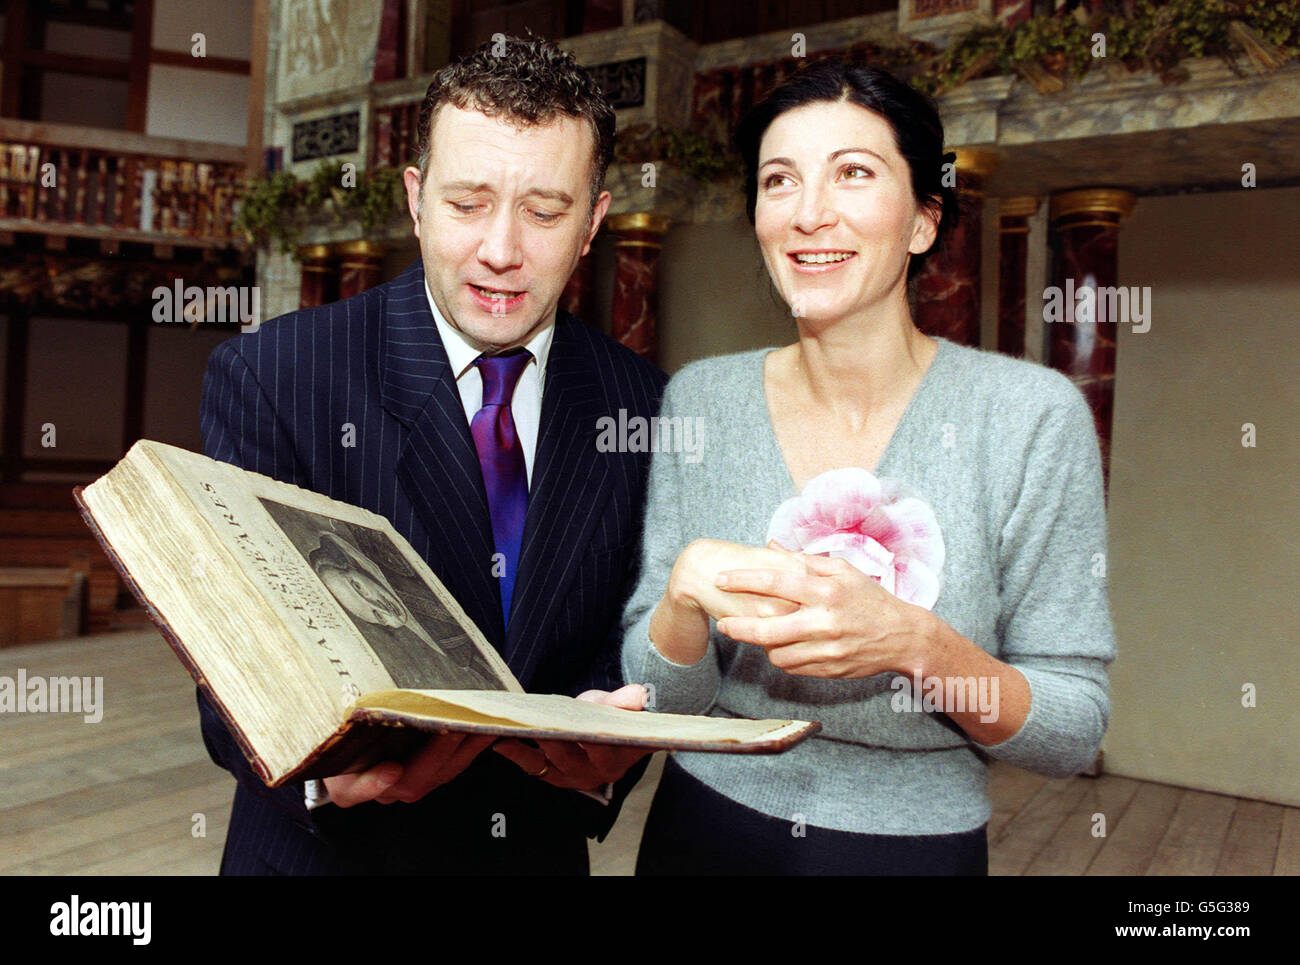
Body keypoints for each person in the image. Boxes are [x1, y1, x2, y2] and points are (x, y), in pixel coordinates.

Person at [621, 58, 1116, 875]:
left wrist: (915, 644)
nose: (809, 213)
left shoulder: (1029, 416)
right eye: (779, 181)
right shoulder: (700, 399)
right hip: (698, 826)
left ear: (923, 220)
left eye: (853, 173)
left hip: (909, 850)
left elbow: (1072, 728)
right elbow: (668, 699)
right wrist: (677, 597)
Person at [198, 35, 666, 875]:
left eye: (545, 211)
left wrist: (616, 739)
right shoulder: (275, 376)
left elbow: (636, 636)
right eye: (467, 202)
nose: (500, 249)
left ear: (594, 221)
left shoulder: (645, 405)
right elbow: (229, 665)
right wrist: (322, 772)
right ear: (415, 200)